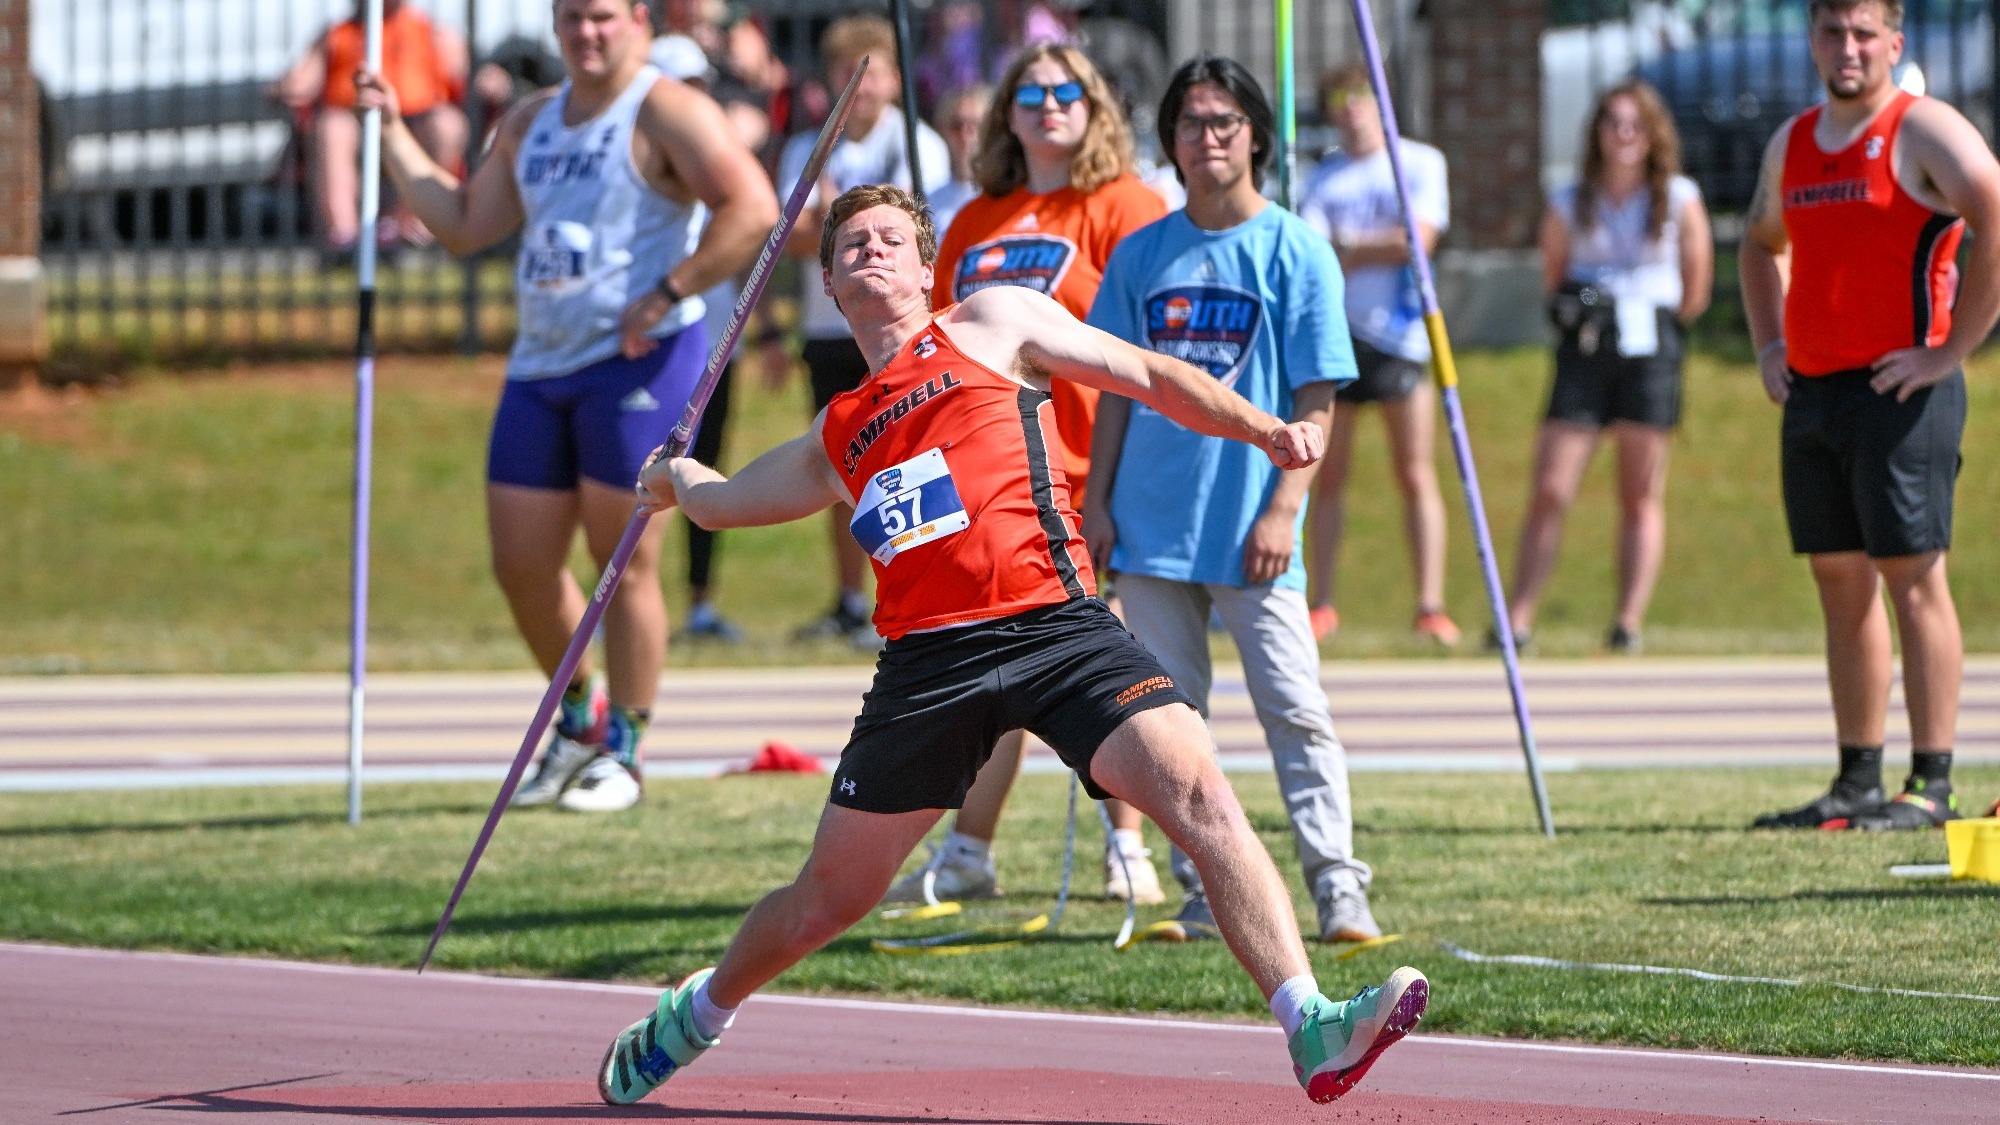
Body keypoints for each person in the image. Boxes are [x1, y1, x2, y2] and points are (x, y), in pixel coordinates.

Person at [602, 182, 1428, 1108]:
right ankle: (696, 1013)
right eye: (849, 248)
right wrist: (672, 477)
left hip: (1059, 625)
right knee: (825, 900)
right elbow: (724, 500)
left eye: (888, 240)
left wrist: (1264, 429)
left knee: (1197, 788)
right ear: (831, 285)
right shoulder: (836, 434)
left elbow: (1146, 373)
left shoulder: (993, 320)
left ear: (926, 267)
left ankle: (1309, 1020)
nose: (869, 252)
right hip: (928, 665)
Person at [352, 0, 778, 810]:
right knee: (521, 564)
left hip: (637, 360)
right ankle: (579, 720)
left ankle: (626, 752)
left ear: (640, 24)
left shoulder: (666, 109)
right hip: (542, 363)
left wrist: (668, 291)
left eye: (605, 17)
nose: (588, 33)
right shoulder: (530, 122)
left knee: (622, 560)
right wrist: (392, 131)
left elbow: (752, 207)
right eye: (573, 17)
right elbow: (468, 223)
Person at [1082, 55, 1380, 945]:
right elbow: (1112, 391)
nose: (1207, 139)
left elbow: (1316, 399)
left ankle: (1337, 887)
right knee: (1170, 722)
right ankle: (1203, 890)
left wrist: (1284, 509)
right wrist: (1095, 502)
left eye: (1223, 122)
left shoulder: (1298, 249)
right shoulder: (1141, 256)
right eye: (1189, 124)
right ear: (1168, 142)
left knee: (1294, 707)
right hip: (1151, 528)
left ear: (1254, 133)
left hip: (1254, 527)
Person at [883, 44, 1170, 908]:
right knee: (991, 666)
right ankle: (970, 849)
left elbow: (1141, 353)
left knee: (1102, 669)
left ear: (1096, 109)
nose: (1049, 106)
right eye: (1031, 93)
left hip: (1082, 466)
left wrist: (1119, 482)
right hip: (984, 477)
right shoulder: (972, 220)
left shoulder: (1127, 205)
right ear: (1006, 111)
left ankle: (1129, 848)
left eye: (1068, 92)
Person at [1741, 0, 1999, 830]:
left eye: (1862, 34)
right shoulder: (1796, 141)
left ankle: (1930, 783)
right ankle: (1856, 778)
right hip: (1816, 391)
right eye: (1830, 32)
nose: (1846, 48)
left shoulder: (1923, 129)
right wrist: (1769, 344)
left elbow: (1993, 208)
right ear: (1812, 39)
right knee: (1838, 580)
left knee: (1914, 578)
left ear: (1894, 42)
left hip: (1902, 390)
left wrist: (1950, 351)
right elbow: (1758, 242)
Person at [1501, 79, 1712, 654]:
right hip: (1588, 350)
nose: (1623, 135)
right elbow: (1553, 276)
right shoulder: (1571, 200)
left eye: (1634, 124)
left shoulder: (1680, 198)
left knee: (1640, 490)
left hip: (1651, 347)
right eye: (1613, 123)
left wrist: (1650, 317)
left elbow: (1695, 290)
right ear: (1597, 131)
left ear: (1652, 135)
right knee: (1551, 486)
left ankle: (1628, 621)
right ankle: (1517, 618)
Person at [769, 15, 950, 647]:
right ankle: (849, 599)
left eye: (871, 75)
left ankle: (906, 590)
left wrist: (831, 223)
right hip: (829, 326)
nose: (861, 90)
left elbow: (902, 227)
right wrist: (823, 221)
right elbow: (788, 238)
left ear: (895, 81)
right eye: (849, 76)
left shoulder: (915, 142)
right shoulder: (809, 149)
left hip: (896, 329)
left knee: (904, 462)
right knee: (838, 459)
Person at [1298, 65, 1458, 646]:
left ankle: (1430, 603)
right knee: (1328, 472)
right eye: (1339, 98)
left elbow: (1417, 241)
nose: (1351, 108)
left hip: (1401, 335)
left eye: (1361, 95)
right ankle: (1324, 603)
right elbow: (1315, 255)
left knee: (1414, 470)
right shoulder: (1324, 177)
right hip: (1340, 338)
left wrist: (1351, 249)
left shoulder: (1417, 162)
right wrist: (1363, 249)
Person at [271, 0, 470, 255]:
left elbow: (467, 76)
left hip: (416, 125)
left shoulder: (432, 32)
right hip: (354, 122)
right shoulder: (338, 33)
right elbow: (300, 81)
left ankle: (410, 227)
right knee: (331, 128)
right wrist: (287, 87)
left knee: (448, 125)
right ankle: (344, 236)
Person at [925, 84, 991, 234]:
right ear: (943, 130)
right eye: (957, 125)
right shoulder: (930, 201)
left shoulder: (1002, 194)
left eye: (975, 125)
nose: (965, 135)